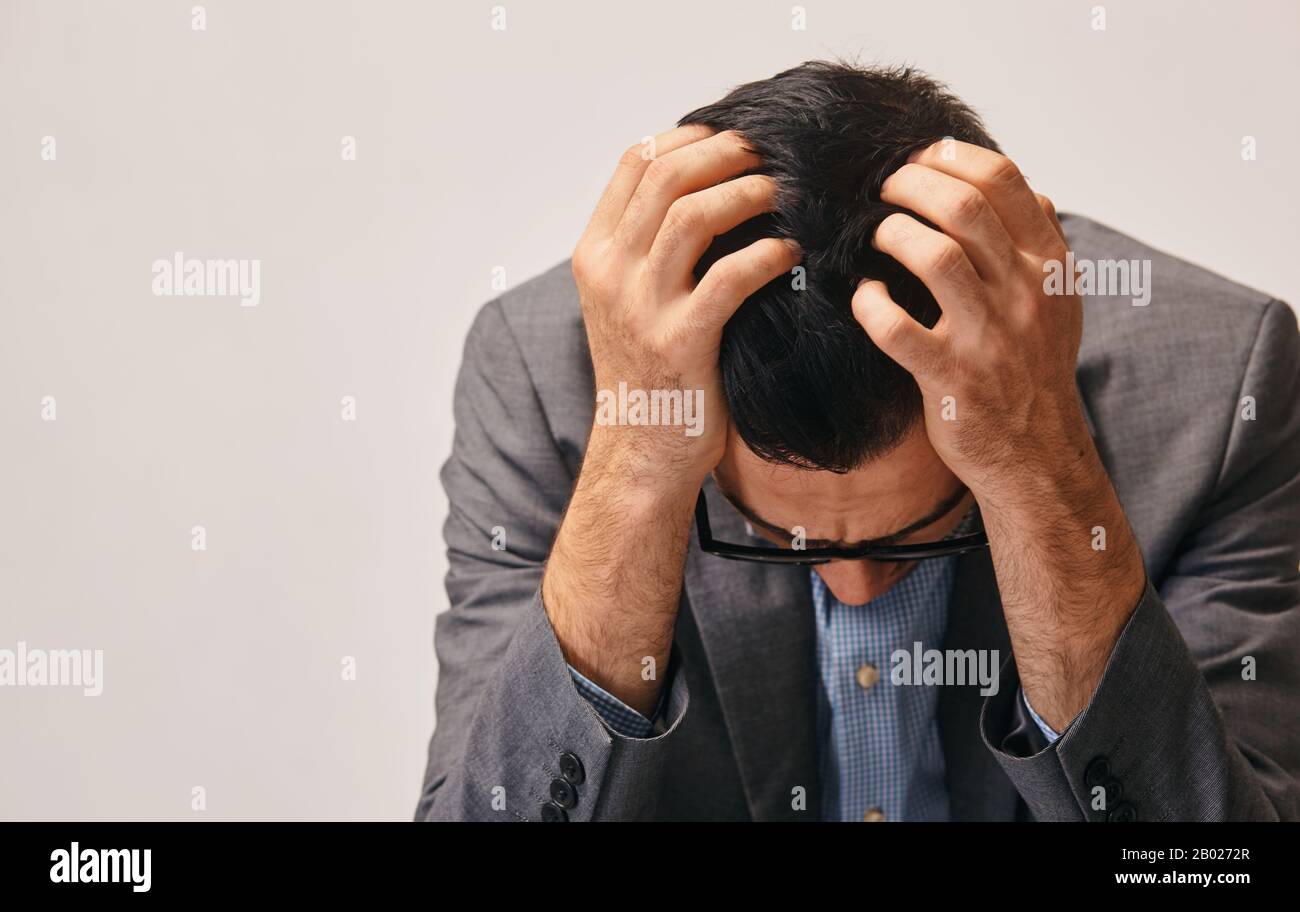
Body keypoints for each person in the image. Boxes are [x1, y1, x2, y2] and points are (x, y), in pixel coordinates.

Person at [416, 62, 1300, 821]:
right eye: (776, 539)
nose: (854, 582)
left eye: (915, 531)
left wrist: (1039, 465)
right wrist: (639, 462)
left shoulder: (1224, 382)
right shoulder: (548, 381)